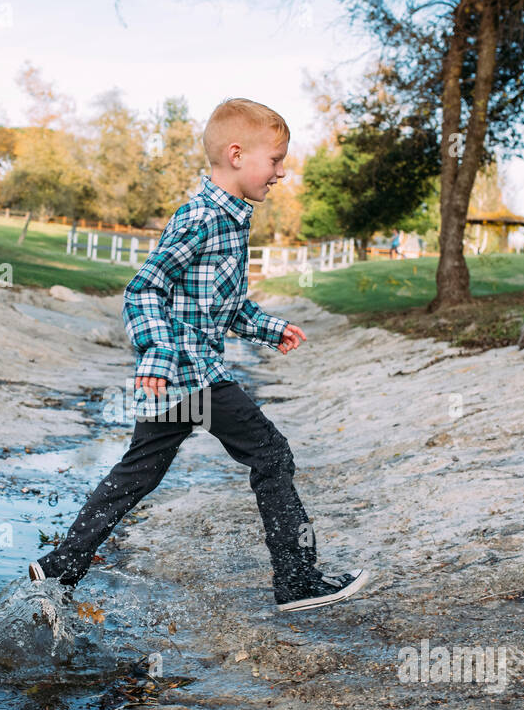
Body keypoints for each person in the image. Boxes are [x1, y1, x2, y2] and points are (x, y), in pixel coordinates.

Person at [29, 98, 370, 613]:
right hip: (194, 376)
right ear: (237, 154)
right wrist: (159, 353)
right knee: (271, 455)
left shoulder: (232, 219)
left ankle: (59, 567)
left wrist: (269, 328)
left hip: (181, 383)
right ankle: (297, 580)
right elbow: (143, 288)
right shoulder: (202, 216)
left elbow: (222, 305)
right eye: (275, 160)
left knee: (138, 473)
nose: (282, 171)